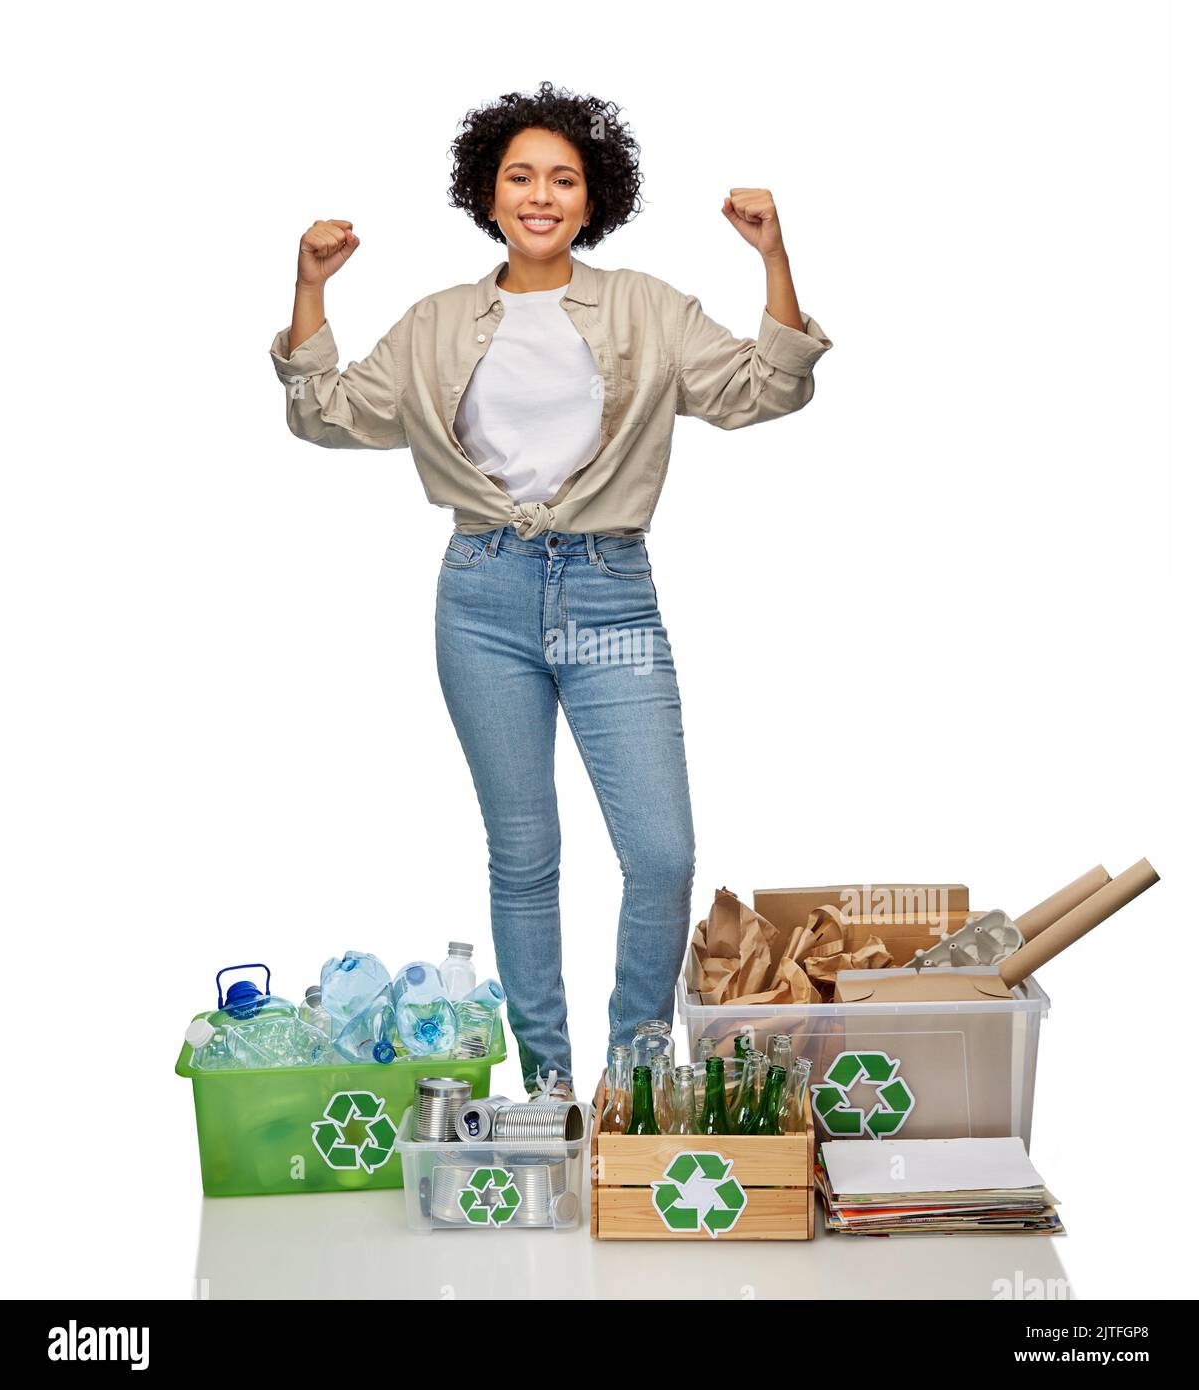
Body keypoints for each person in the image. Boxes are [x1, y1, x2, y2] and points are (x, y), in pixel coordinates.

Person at [268, 80, 832, 1102]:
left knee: (659, 853)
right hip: (482, 600)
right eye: (519, 177)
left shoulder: (644, 308)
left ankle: (632, 1072)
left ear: (591, 198)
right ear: (487, 196)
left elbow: (767, 388)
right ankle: (555, 1087)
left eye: (562, 179)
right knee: (524, 855)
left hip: (610, 597)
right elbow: (326, 411)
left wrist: (772, 258)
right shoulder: (438, 321)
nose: (540, 195)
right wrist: (310, 289)